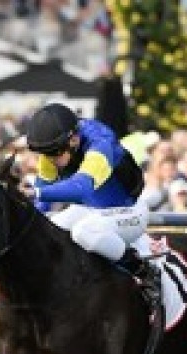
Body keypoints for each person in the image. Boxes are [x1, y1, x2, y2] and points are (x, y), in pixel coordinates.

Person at [24, 102, 159, 302]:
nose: (50, 160)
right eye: (46, 154)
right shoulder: (54, 146)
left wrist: (34, 193)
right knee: (49, 229)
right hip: (92, 210)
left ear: (74, 140)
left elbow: (81, 188)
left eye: (55, 154)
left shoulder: (101, 142)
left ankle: (144, 270)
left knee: (84, 232)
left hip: (129, 212)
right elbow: (42, 201)